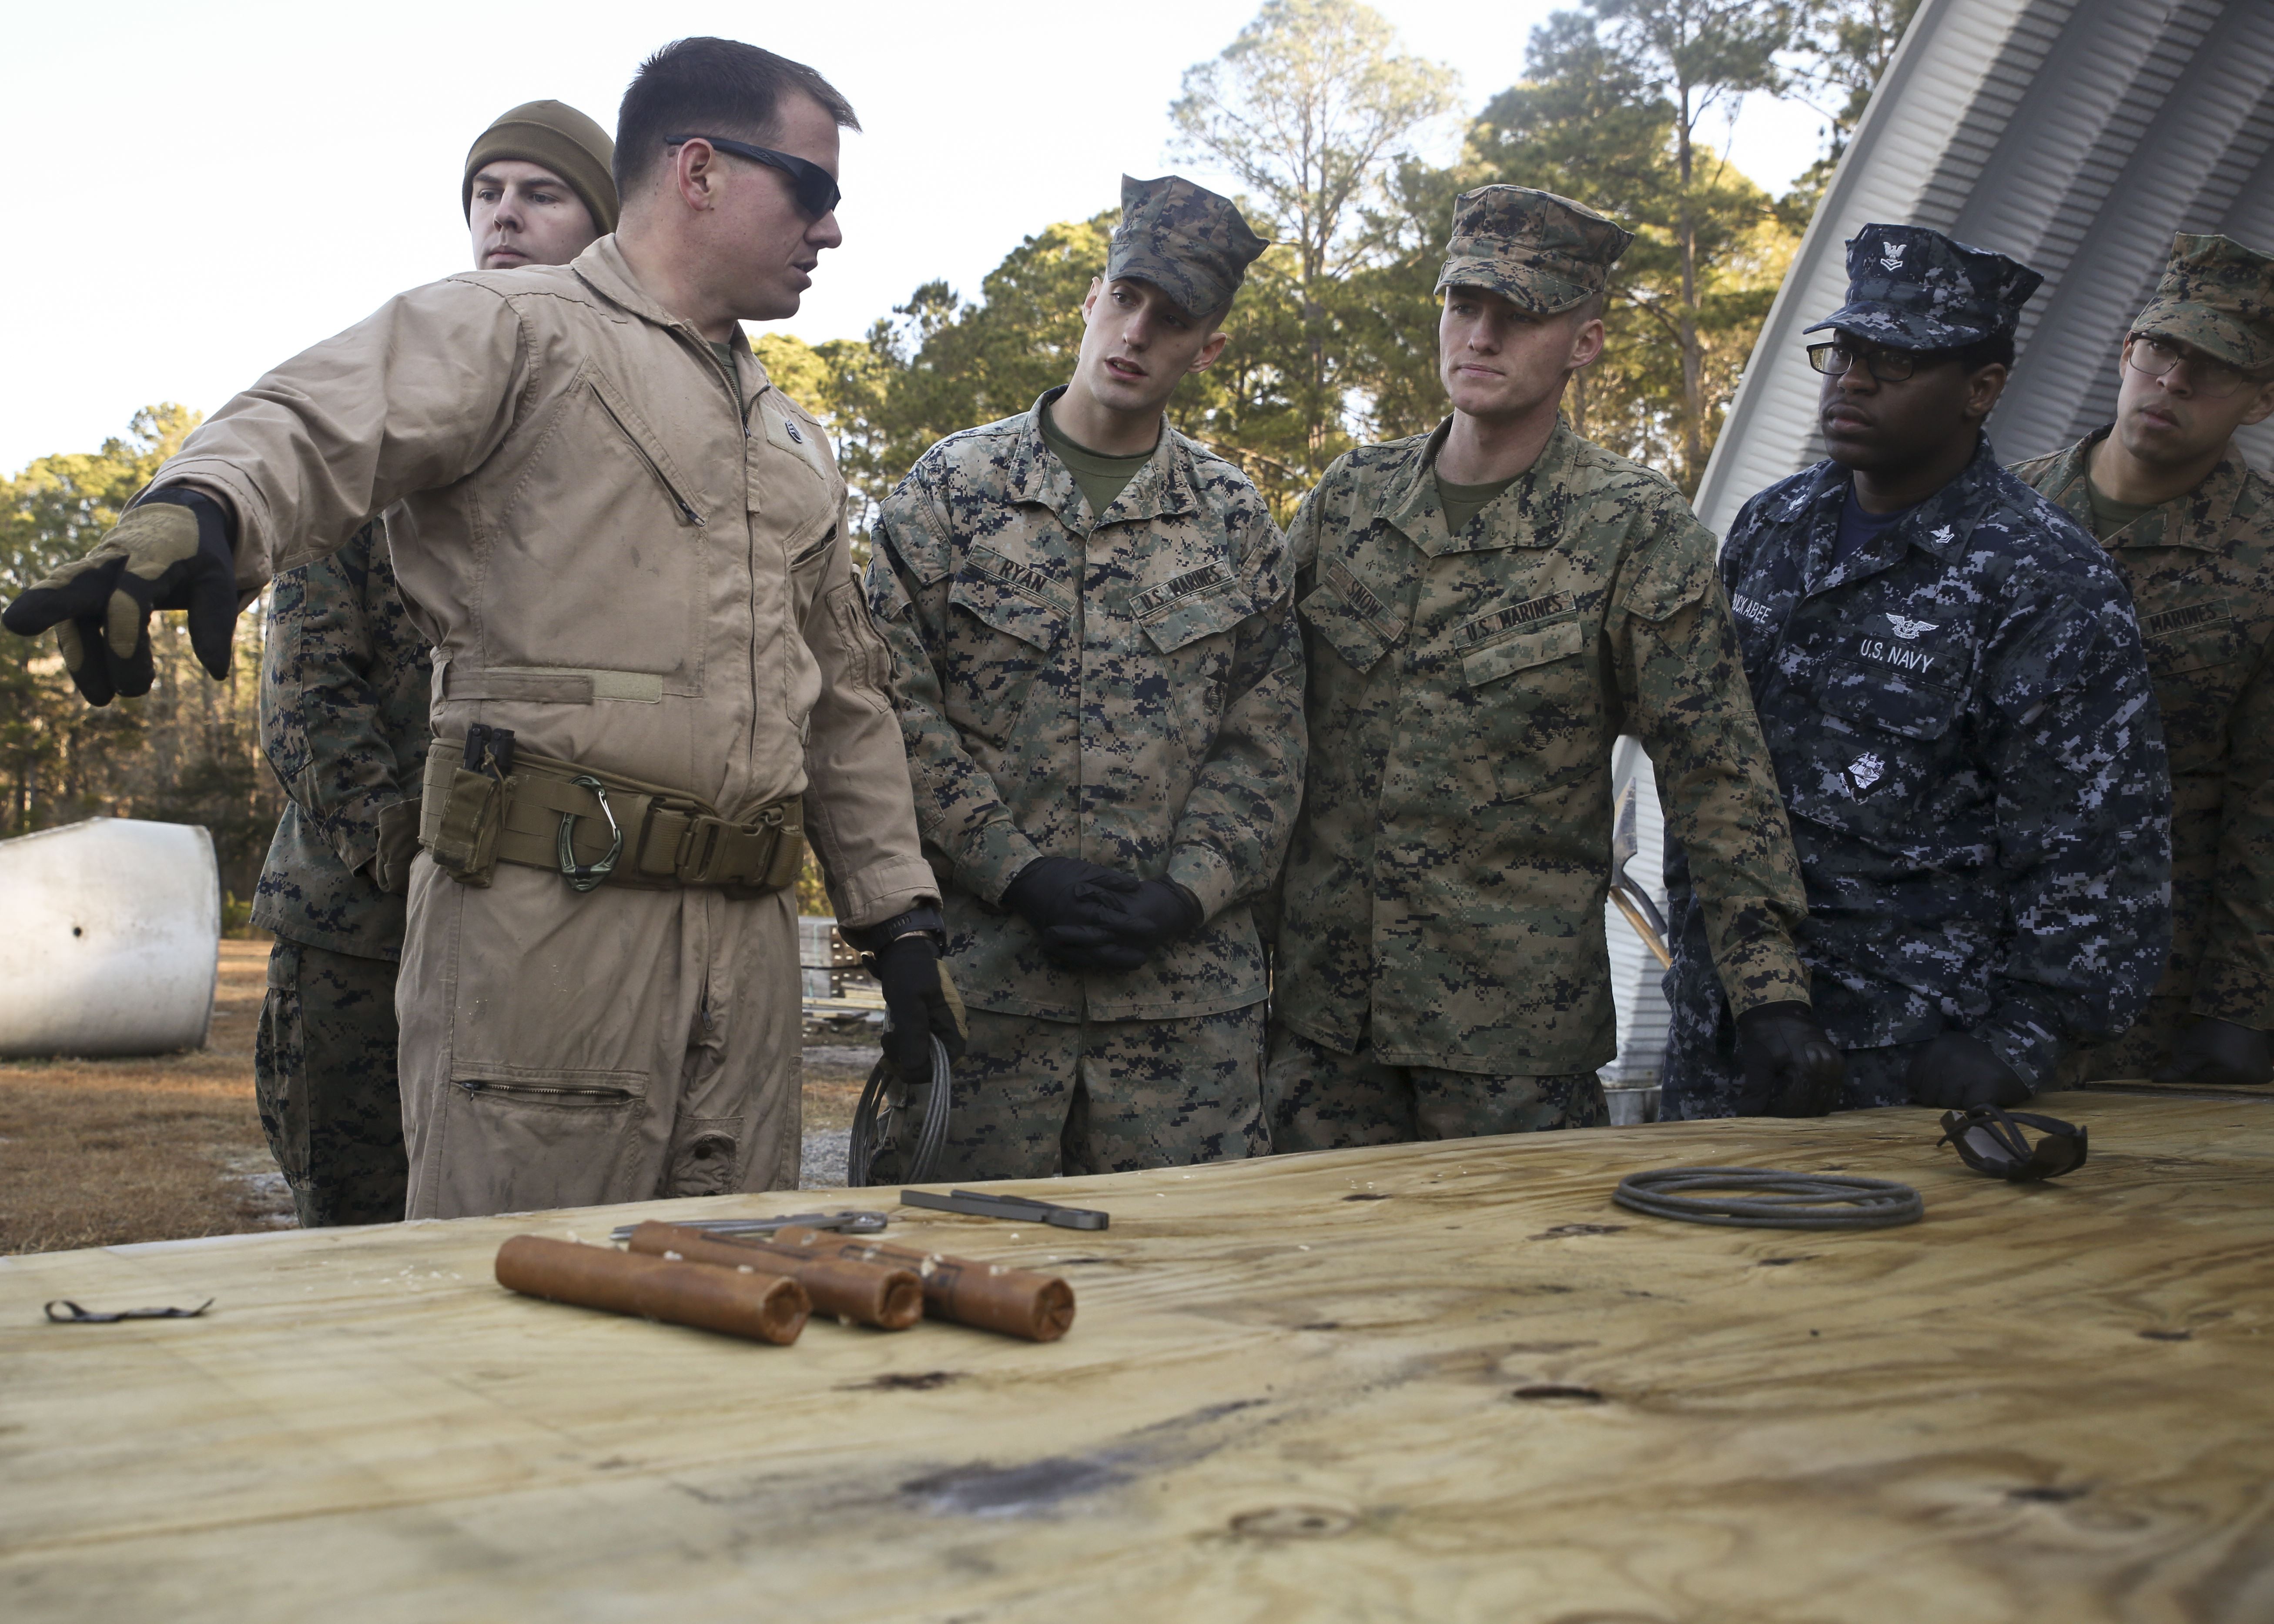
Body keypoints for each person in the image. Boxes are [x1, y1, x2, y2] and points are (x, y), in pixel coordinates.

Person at [3, 37, 958, 1218]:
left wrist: (896, 915)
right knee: (512, 1316)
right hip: (549, 945)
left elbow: (844, 702)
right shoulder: (518, 330)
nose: (830, 231)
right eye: (812, 191)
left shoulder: (793, 439)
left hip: (748, 963)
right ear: (700, 170)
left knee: (731, 1314)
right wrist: (198, 513)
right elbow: (319, 417)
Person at [1264, 185, 1837, 1149]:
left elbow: (1716, 775)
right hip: (1321, 1032)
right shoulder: (1348, 503)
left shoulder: (1633, 529)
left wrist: (1769, 991)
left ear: (1584, 342)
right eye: (1463, 305)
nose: (1481, 335)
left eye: (1520, 315)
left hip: (1506, 1049)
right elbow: (1258, 722)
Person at [1661, 224, 2172, 1117]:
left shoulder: (2042, 579)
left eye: (1893, 360)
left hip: (1901, 1064)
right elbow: (1708, 764)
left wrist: (2021, 1041)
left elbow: (2097, 854)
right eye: (1843, 349)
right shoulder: (1770, 528)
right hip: (1729, 1032)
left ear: (1981, 388)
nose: (1851, 377)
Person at [864, 174, 1301, 1178]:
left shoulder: (1234, 519)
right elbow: (890, 716)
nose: (1138, 332)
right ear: (1091, 300)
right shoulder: (951, 492)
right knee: (958, 1294)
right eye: (1127, 297)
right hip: (987, 1001)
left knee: (1187, 1301)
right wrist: (1016, 872)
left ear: (1209, 347)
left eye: (1174, 316)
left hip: (1182, 1020)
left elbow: (1268, 745)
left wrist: (1183, 898)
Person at [248, 100, 617, 1229]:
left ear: (605, 226)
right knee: (361, 1243)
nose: (502, 213)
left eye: (539, 193)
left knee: (527, 1236)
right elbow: (306, 693)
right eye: (485, 192)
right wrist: (421, 849)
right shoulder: (390, 424)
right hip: (366, 927)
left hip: (546, 934)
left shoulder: (616, 440)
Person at [2015, 233, 2274, 1089]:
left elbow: (2265, 804)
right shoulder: (1996, 512)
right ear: (2127, 348)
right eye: (2162, 348)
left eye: (2215, 367)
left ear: (2262, 399)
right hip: (1970, 967)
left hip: (2151, 990)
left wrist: (2239, 1010)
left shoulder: (2265, 556)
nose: (2174, 382)